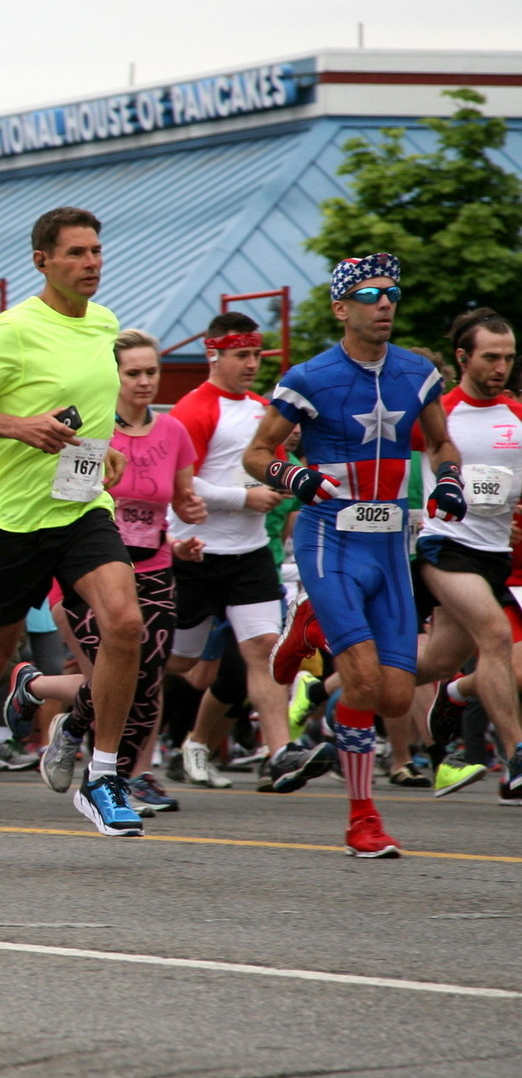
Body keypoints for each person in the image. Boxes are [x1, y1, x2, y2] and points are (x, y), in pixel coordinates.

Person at [0, 208, 148, 858]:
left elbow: (89, 406)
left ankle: (103, 776)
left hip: (81, 507)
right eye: (75, 252)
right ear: (42, 260)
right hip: (13, 520)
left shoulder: (104, 324)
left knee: (125, 624)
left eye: (96, 250)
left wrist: (103, 450)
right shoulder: (12, 329)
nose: (91, 262)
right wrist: (22, 427)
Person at [243, 254, 465, 858]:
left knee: (394, 697)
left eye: (392, 292)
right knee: (362, 681)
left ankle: (310, 625)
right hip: (329, 539)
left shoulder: (418, 372)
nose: (385, 302)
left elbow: (442, 442)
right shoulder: (309, 377)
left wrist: (449, 479)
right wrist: (294, 476)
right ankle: (362, 819)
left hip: (389, 546)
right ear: (342, 308)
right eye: (369, 294)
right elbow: (257, 454)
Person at [8, 332, 202, 810]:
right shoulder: (92, 427)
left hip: (155, 568)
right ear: (112, 376)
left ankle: (125, 774)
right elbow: (67, 499)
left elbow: (180, 502)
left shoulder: (173, 432)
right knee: (113, 677)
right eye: (132, 372)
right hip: (89, 569)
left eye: (151, 372)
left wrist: (186, 530)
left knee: (148, 678)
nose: (144, 381)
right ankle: (44, 696)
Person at [163, 311, 309, 791]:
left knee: (264, 650)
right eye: (241, 355)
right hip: (196, 552)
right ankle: (91, 701)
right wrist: (244, 498)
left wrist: (293, 485)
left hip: (250, 555)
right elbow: (182, 483)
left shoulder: (263, 409)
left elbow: (277, 466)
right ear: (214, 354)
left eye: (256, 355)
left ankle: (281, 754)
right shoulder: (192, 408)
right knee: (178, 663)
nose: (251, 364)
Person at [415, 309, 522, 799]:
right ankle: (516, 757)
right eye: (491, 357)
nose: (501, 368)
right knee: (496, 635)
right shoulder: (438, 415)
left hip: (494, 554)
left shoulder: (516, 417)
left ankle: (335, 687)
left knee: (435, 663)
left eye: (509, 358)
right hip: (444, 545)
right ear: (463, 357)